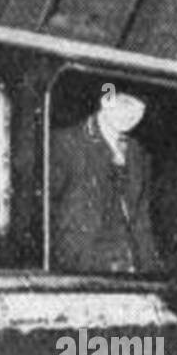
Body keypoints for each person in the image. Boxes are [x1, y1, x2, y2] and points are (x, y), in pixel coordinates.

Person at [49, 91, 160, 274]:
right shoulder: (65, 143)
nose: (130, 112)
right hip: (79, 274)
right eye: (124, 102)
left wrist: (151, 272)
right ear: (106, 100)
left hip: (129, 274)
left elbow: (142, 224)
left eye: (139, 107)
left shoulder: (139, 154)